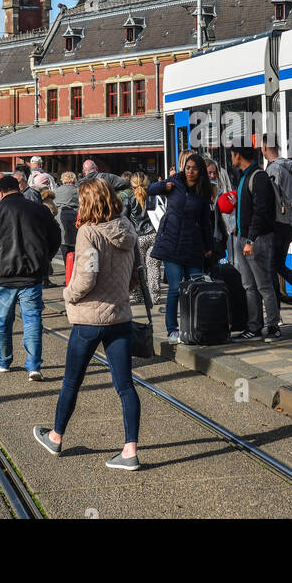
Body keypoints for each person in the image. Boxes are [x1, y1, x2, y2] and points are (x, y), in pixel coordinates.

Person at [33, 178, 142, 470]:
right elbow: (135, 274)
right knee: (126, 386)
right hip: (120, 317)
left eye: (82, 200)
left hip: (90, 320)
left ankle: (56, 437)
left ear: (89, 203)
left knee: (71, 382)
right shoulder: (127, 229)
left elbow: (87, 276)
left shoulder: (88, 233)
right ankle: (130, 451)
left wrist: (68, 294)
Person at [0, 174, 60, 379]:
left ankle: (3, 360)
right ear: (18, 188)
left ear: (0, 192)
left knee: (4, 320)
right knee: (32, 320)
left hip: (4, 275)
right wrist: (45, 258)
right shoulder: (39, 209)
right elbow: (56, 236)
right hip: (32, 275)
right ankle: (34, 365)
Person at [146, 154, 215, 345]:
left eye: (193, 168)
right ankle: (172, 329)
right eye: (187, 167)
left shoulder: (202, 191)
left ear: (200, 170)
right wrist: (163, 186)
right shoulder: (175, 182)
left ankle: (193, 326)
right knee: (175, 288)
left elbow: (205, 223)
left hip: (192, 245)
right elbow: (149, 190)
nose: (190, 171)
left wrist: (209, 246)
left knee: (194, 287)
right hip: (171, 244)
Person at [229, 145, 281, 342]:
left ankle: (273, 326)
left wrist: (250, 239)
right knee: (249, 285)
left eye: (232, 155)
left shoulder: (258, 176)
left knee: (263, 285)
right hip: (244, 238)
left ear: (238, 155)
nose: (231, 158)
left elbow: (261, 211)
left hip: (256, 240)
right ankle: (254, 327)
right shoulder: (244, 175)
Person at [262, 142, 292, 304]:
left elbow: (271, 196)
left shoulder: (274, 169)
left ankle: (276, 311)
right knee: (280, 266)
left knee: (271, 268)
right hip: (291, 224)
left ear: (266, 147)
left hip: (278, 223)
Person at [124, 172, 158, 305]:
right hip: (153, 234)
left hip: (137, 237)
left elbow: (124, 219)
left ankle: (138, 296)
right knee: (153, 266)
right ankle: (154, 296)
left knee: (138, 268)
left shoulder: (129, 199)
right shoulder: (153, 198)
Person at [55, 171, 80, 269]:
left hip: (61, 220)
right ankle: (74, 273)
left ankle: (67, 273)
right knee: (74, 248)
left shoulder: (57, 190)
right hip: (75, 218)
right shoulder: (78, 190)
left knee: (64, 248)